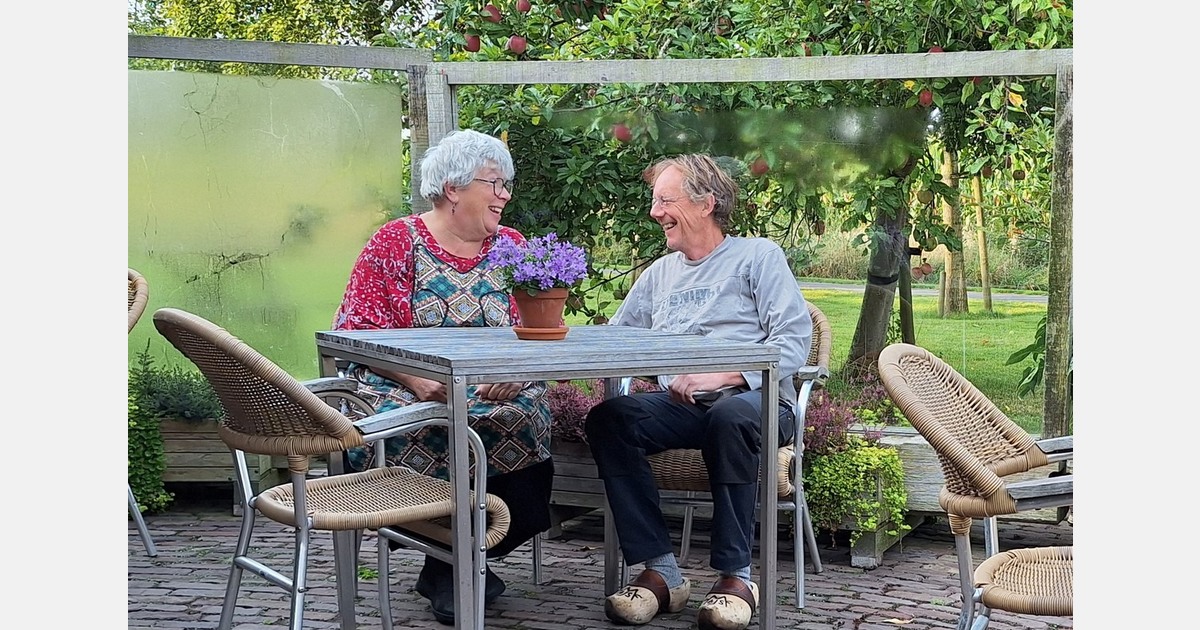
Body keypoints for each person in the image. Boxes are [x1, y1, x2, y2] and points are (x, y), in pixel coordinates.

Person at [332, 129, 555, 625]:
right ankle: (452, 562)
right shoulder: (397, 242)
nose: (504, 195)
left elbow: (538, 327)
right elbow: (355, 332)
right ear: (453, 188)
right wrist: (414, 379)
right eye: (494, 183)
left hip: (494, 390)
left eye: (507, 185)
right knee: (434, 426)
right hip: (407, 387)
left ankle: (455, 560)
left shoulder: (511, 247)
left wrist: (517, 373)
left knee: (526, 418)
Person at [584, 154, 812, 630]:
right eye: (655, 201)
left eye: (665, 200)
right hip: (685, 407)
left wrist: (722, 375)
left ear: (707, 202)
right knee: (610, 419)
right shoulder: (660, 274)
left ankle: (737, 577)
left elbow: (793, 343)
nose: (655, 212)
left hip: (760, 402)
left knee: (729, 419)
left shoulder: (757, 256)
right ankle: (661, 571)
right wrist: (548, 356)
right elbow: (619, 339)